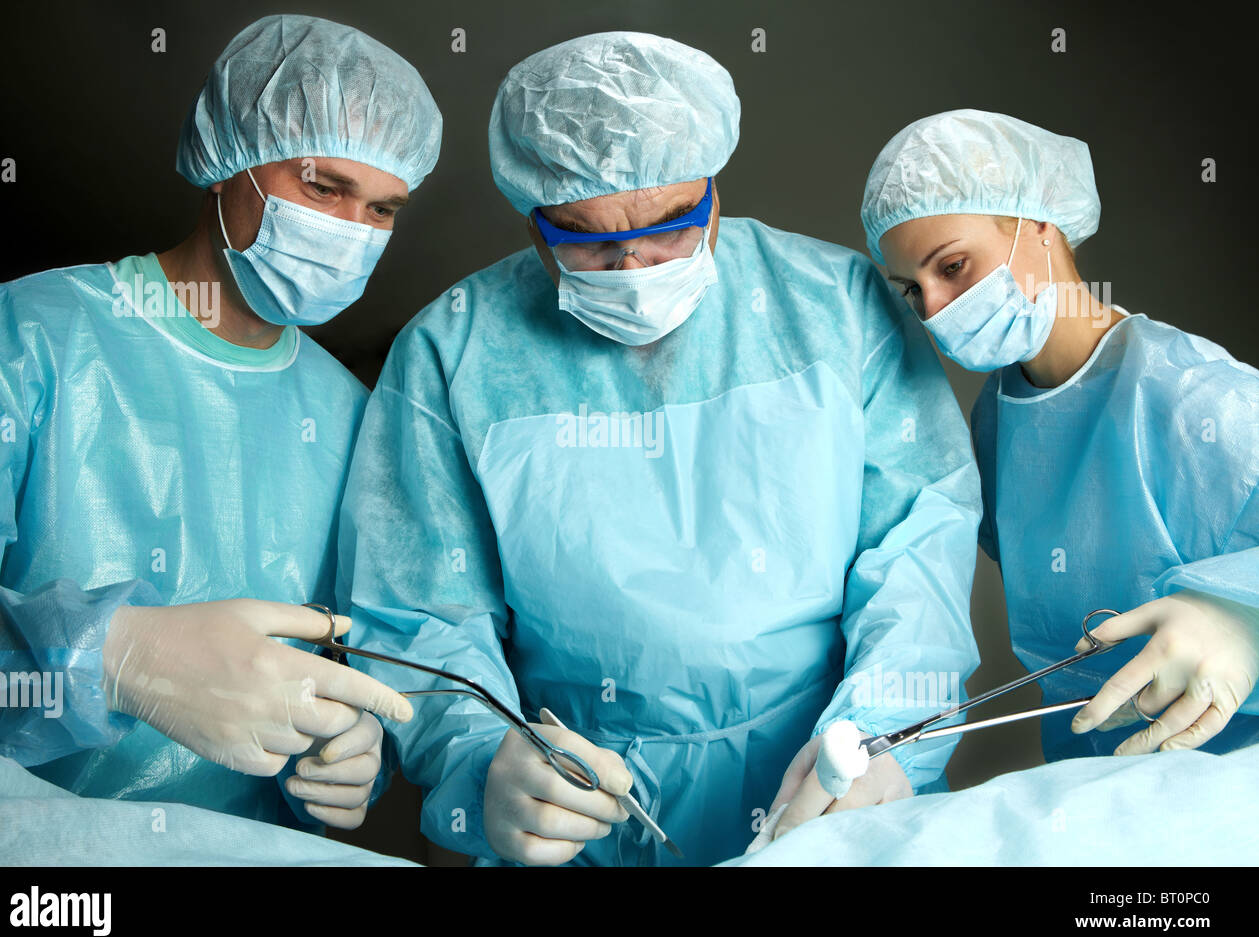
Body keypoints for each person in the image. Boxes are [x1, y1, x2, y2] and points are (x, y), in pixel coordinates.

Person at [338, 32, 982, 866]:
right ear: (534, 224)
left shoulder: (838, 309)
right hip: (582, 812)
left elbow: (917, 548)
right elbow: (422, 614)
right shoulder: (454, 352)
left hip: (825, 796)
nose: (634, 267)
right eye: (588, 241)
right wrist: (481, 758)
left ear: (713, 189)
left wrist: (886, 736)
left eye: (671, 227)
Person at [0, 14, 442, 831]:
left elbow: (356, 652)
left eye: (383, 208)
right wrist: (110, 660)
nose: (348, 232)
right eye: (321, 187)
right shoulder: (29, 335)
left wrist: (348, 747)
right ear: (227, 161)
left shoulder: (353, 418)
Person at [860, 109, 1259, 762]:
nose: (933, 308)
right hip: (1095, 788)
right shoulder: (998, 417)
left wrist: (1246, 621)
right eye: (911, 288)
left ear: (1039, 223)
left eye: (954, 266)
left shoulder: (1193, 396)